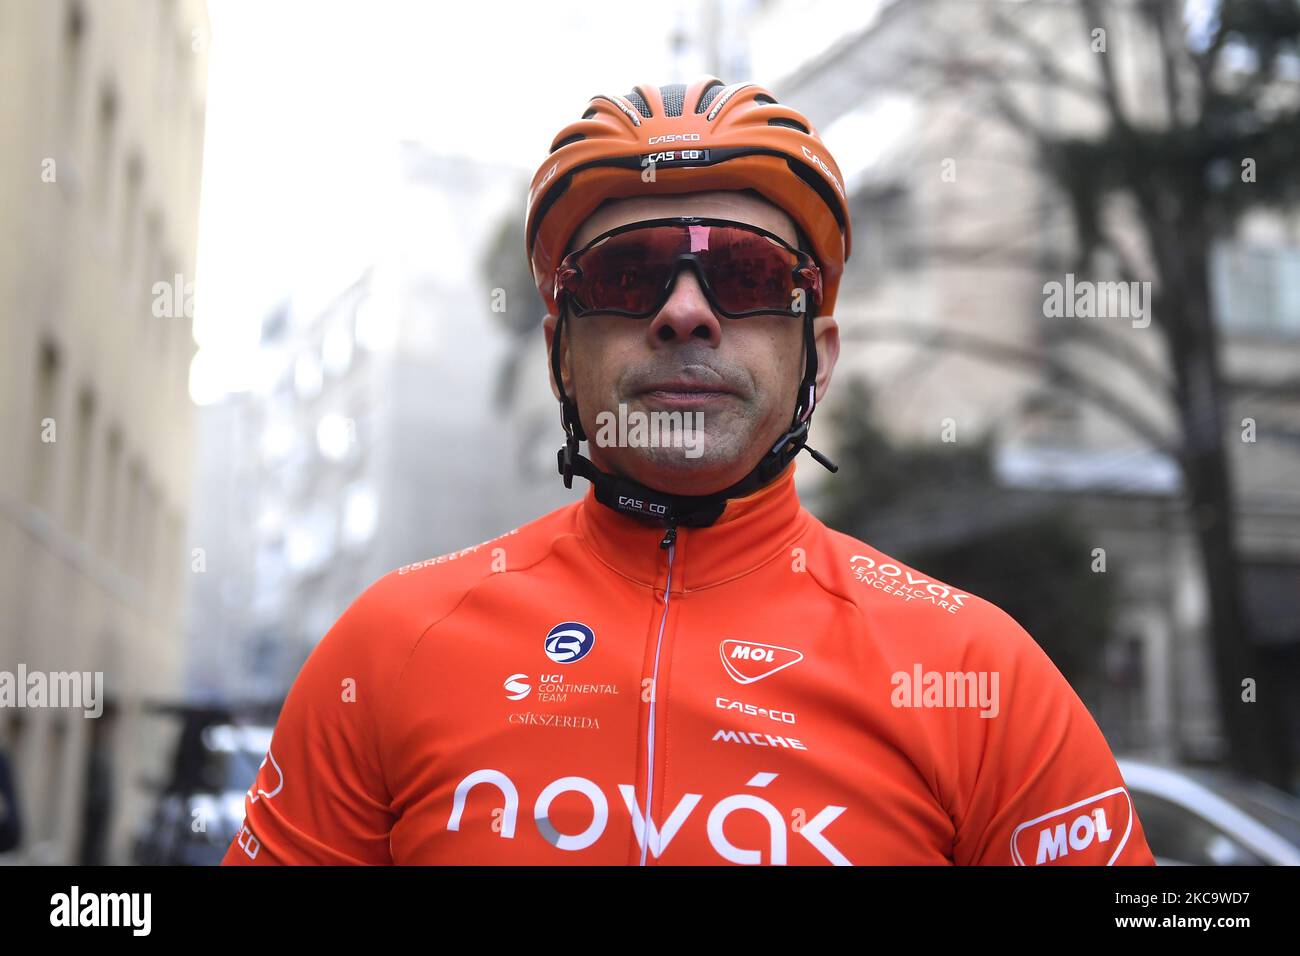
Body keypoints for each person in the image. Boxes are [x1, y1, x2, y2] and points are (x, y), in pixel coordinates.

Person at [222, 77, 1154, 866]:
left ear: (818, 358)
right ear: (560, 355)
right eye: (629, 277)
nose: (683, 313)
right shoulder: (390, 648)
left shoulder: (978, 673)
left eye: (744, 276)